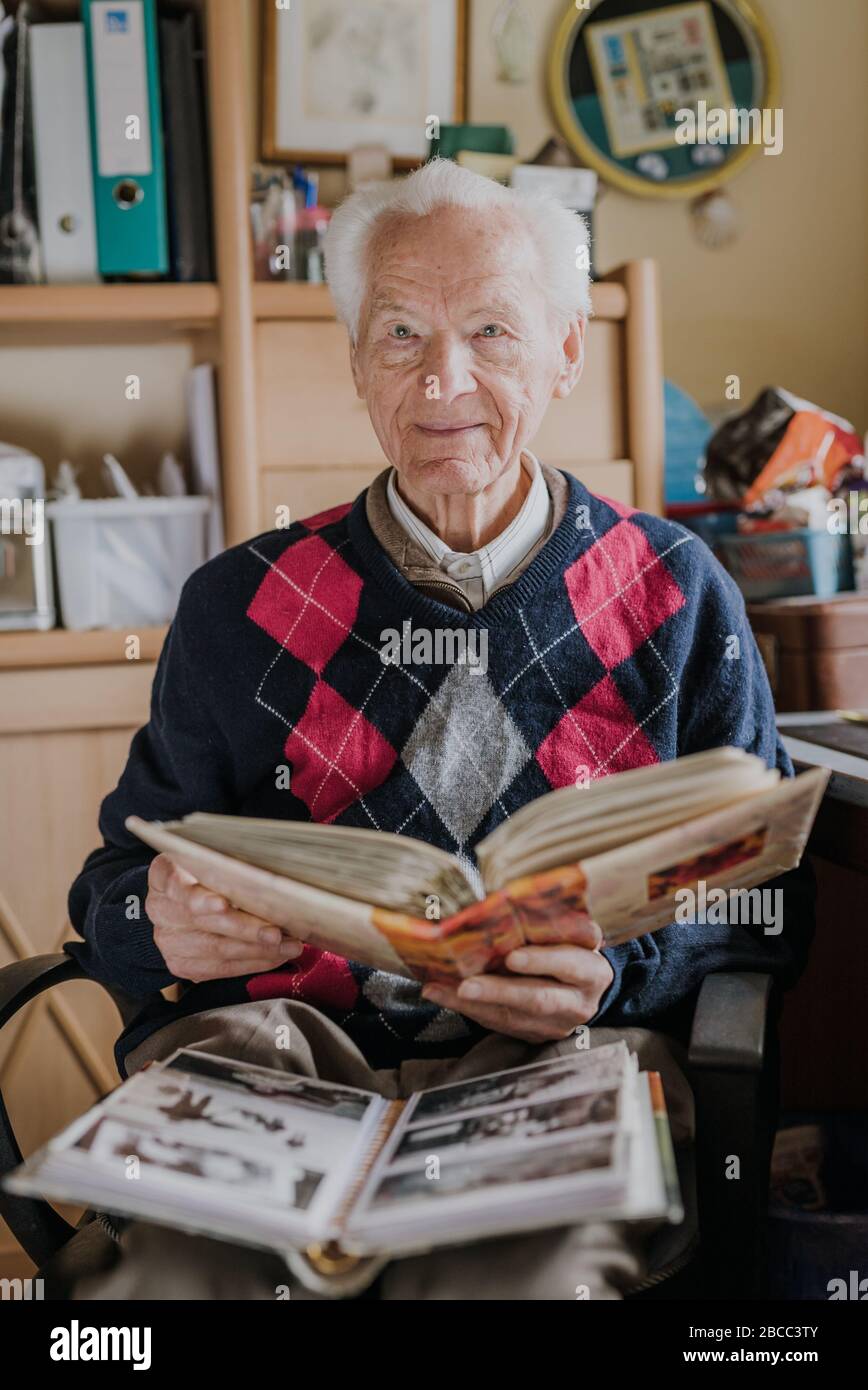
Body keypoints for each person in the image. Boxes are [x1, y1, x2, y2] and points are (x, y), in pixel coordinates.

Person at [68, 159, 813, 1300]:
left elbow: (764, 903)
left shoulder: (675, 590)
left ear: (566, 352)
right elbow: (111, 888)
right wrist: (157, 923)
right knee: (189, 1270)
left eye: (491, 332)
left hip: (562, 1061)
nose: (441, 379)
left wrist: (614, 970)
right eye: (401, 332)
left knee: (520, 1277)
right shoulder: (238, 604)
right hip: (278, 1056)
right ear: (357, 361)